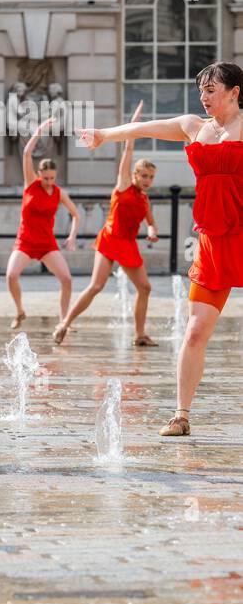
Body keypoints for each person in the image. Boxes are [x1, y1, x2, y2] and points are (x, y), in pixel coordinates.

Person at [77, 61, 243, 437]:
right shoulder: (194, 127)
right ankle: (181, 415)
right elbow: (145, 128)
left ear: (234, 92)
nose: (204, 97)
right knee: (195, 332)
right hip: (212, 241)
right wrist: (103, 134)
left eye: (212, 90)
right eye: (201, 89)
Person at [54, 103, 159, 346]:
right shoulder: (123, 186)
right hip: (110, 239)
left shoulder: (144, 199)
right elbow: (128, 149)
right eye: (144, 176)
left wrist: (152, 232)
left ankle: (139, 334)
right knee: (96, 285)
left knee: (145, 288)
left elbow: (151, 223)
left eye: (151, 177)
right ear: (134, 175)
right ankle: (64, 323)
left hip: (128, 244)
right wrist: (135, 123)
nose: (147, 180)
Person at [5, 117, 79, 329]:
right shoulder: (31, 185)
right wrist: (39, 131)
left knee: (67, 279)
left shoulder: (58, 192)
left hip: (47, 243)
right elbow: (27, 154)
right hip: (25, 242)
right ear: (39, 175)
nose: (48, 182)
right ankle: (19, 311)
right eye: (45, 178)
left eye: (52, 178)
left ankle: (64, 320)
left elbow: (76, 214)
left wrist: (72, 235)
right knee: (11, 275)